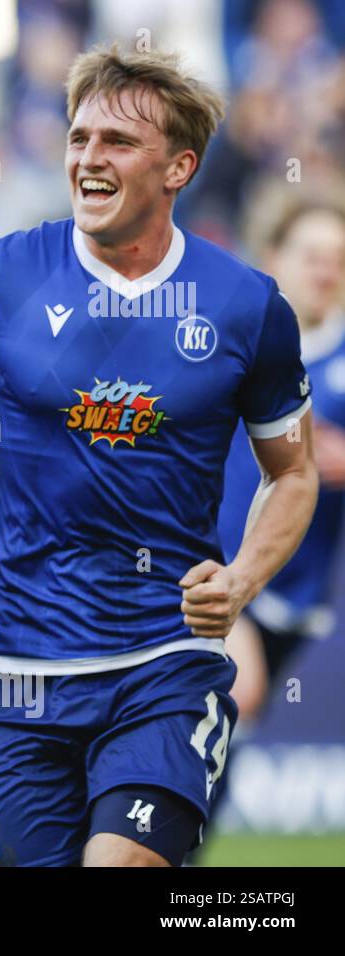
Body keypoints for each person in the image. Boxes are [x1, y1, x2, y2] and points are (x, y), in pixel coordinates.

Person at [0, 44, 317, 867]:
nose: (88, 158)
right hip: (14, 670)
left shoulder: (247, 307)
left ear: (179, 166)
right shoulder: (1, 278)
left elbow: (290, 474)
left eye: (117, 142)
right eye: (79, 138)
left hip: (163, 663)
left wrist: (242, 580)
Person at [208, 196, 345, 823]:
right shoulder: (234, 341)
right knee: (236, 686)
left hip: (294, 585)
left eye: (338, 260)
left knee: (224, 724)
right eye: (312, 256)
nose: (326, 271)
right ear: (274, 258)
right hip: (215, 561)